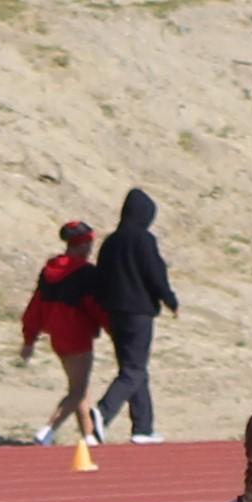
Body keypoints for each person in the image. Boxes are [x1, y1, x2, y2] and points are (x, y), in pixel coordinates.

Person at [89, 187, 177, 444]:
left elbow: (100, 277)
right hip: (139, 313)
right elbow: (155, 274)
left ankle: (143, 427)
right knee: (134, 369)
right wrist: (169, 300)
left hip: (114, 312)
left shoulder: (111, 241)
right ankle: (102, 413)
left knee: (134, 368)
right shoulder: (144, 240)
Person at [19, 220, 109, 448]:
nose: (91, 249)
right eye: (90, 244)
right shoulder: (86, 273)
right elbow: (96, 308)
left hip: (57, 337)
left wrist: (29, 339)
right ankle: (48, 431)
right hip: (78, 336)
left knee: (78, 387)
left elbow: (35, 306)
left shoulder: (49, 270)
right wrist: (114, 329)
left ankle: (88, 436)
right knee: (77, 391)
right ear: (83, 244)